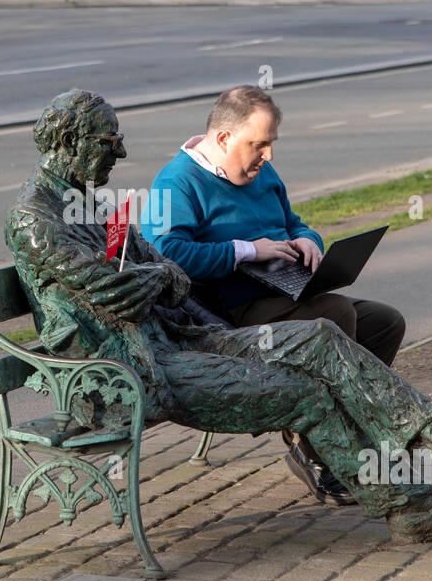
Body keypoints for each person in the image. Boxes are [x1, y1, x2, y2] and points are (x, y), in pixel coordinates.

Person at [5, 89, 432, 543]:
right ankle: (416, 508)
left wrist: (162, 277)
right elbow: (125, 287)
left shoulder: (92, 206)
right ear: (69, 141)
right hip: (126, 373)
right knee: (307, 390)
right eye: (108, 141)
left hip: (185, 338)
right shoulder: (35, 216)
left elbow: (168, 277)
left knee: (321, 338)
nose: (120, 152)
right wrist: (162, 276)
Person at [140, 85, 407, 506]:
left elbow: (294, 222)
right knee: (335, 315)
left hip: (288, 290)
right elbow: (165, 255)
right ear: (224, 139)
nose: (267, 156)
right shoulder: (176, 183)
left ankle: (347, 433)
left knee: (386, 322)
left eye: (270, 144)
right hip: (229, 315)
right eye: (258, 144)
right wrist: (248, 249)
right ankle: (326, 455)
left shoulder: (260, 173)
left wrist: (308, 241)